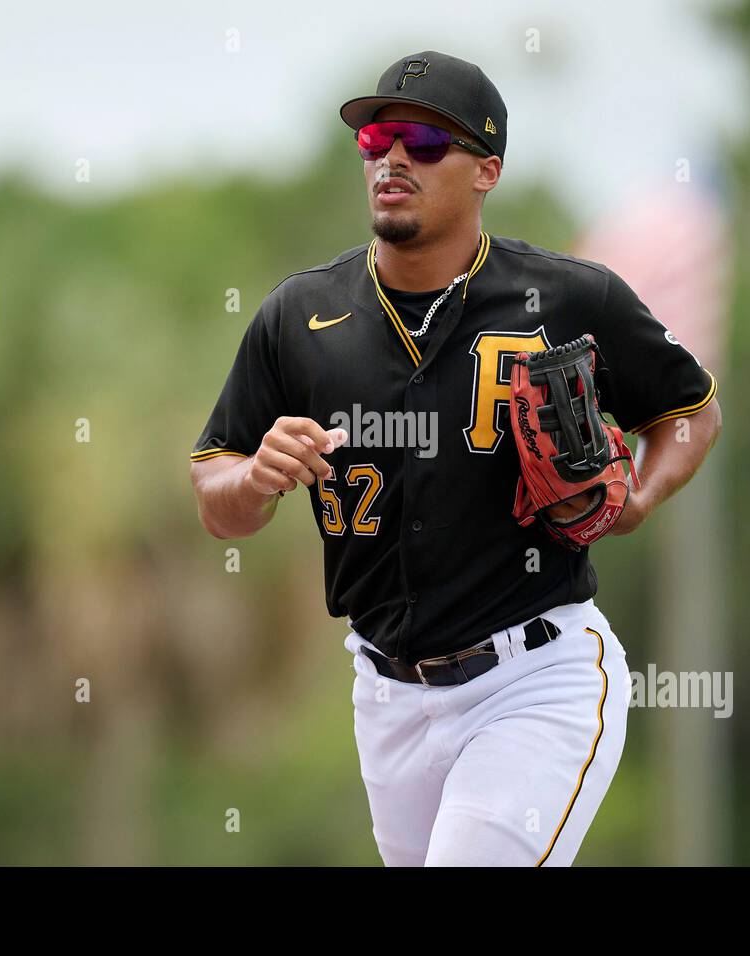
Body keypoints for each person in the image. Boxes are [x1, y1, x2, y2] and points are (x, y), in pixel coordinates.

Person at [190, 50, 722, 866]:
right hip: (386, 700)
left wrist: (640, 499)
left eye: (424, 141)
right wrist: (253, 479)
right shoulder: (299, 316)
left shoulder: (570, 298)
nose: (392, 157)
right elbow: (215, 499)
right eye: (376, 138)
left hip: (534, 678)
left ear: (487, 169)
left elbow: (690, 413)